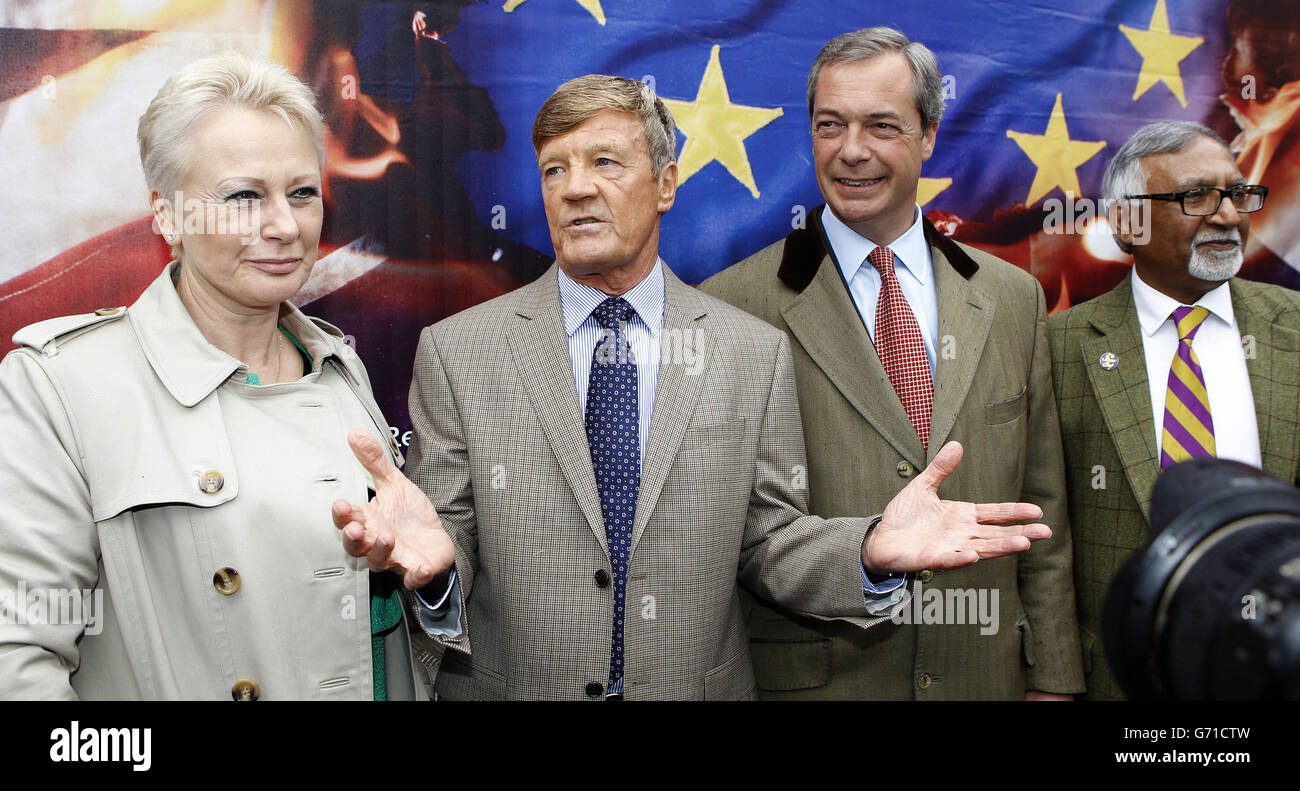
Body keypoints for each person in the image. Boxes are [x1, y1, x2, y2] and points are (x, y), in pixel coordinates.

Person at [336, 73, 1057, 701]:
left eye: (604, 161)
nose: (575, 186)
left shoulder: (749, 351)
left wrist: (866, 549)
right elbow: (446, 537)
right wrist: (432, 571)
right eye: (554, 170)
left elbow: (769, 542)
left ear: (668, 184)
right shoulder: (460, 351)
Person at [0, 51, 432, 700]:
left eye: (302, 192)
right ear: (167, 215)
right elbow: (21, 658)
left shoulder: (342, 367)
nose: (285, 227)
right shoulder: (62, 384)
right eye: (243, 196)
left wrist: (421, 578)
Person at [700, 27, 1084, 700]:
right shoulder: (732, 305)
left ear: (929, 135)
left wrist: (1053, 674)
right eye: (830, 125)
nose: (852, 151)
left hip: (984, 678)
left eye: (882, 125)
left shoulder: (1013, 298)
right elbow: (724, 535)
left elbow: (1043, 510)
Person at [1048, 120, 1300, 700]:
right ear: (1126, 222)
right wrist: (1053, 676)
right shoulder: (1057, 348)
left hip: (1274, 666)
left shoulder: (1294, 329)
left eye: (1237, 194)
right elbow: (1044, 538)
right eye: (1196, 197)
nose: (1228, 216)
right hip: (1118, 676)